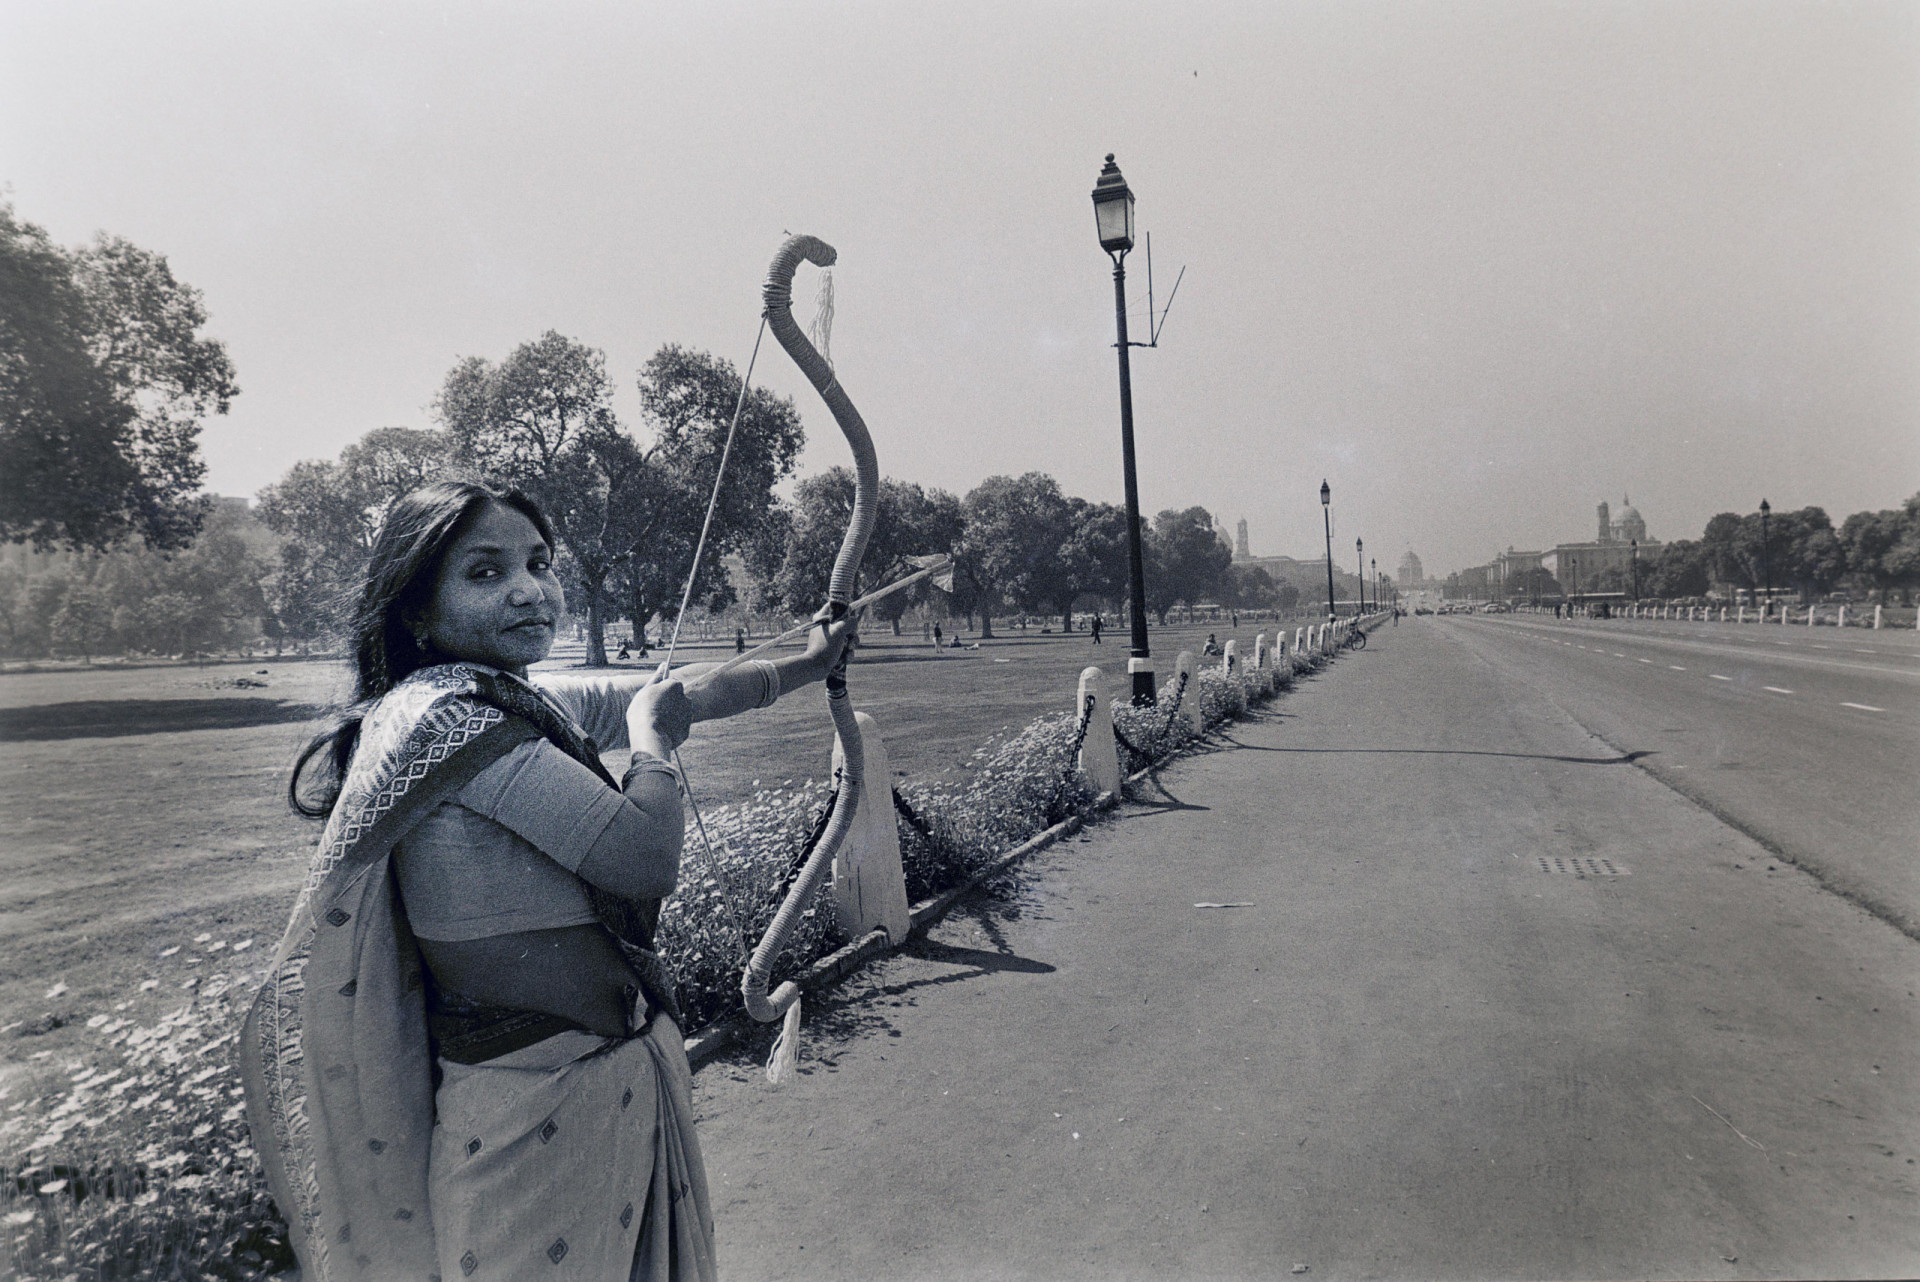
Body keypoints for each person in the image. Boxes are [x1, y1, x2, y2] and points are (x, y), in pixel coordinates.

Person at [241, 480, 853, 1282]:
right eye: (486, 572)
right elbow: (642, 856)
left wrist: (810, 663)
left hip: (610, 1083)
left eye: (539, 562)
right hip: (523, 1114)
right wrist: (653, 746)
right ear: (418, 611)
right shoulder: (445, 722)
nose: (529, 589)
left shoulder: (505, 699)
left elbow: (676, 696)